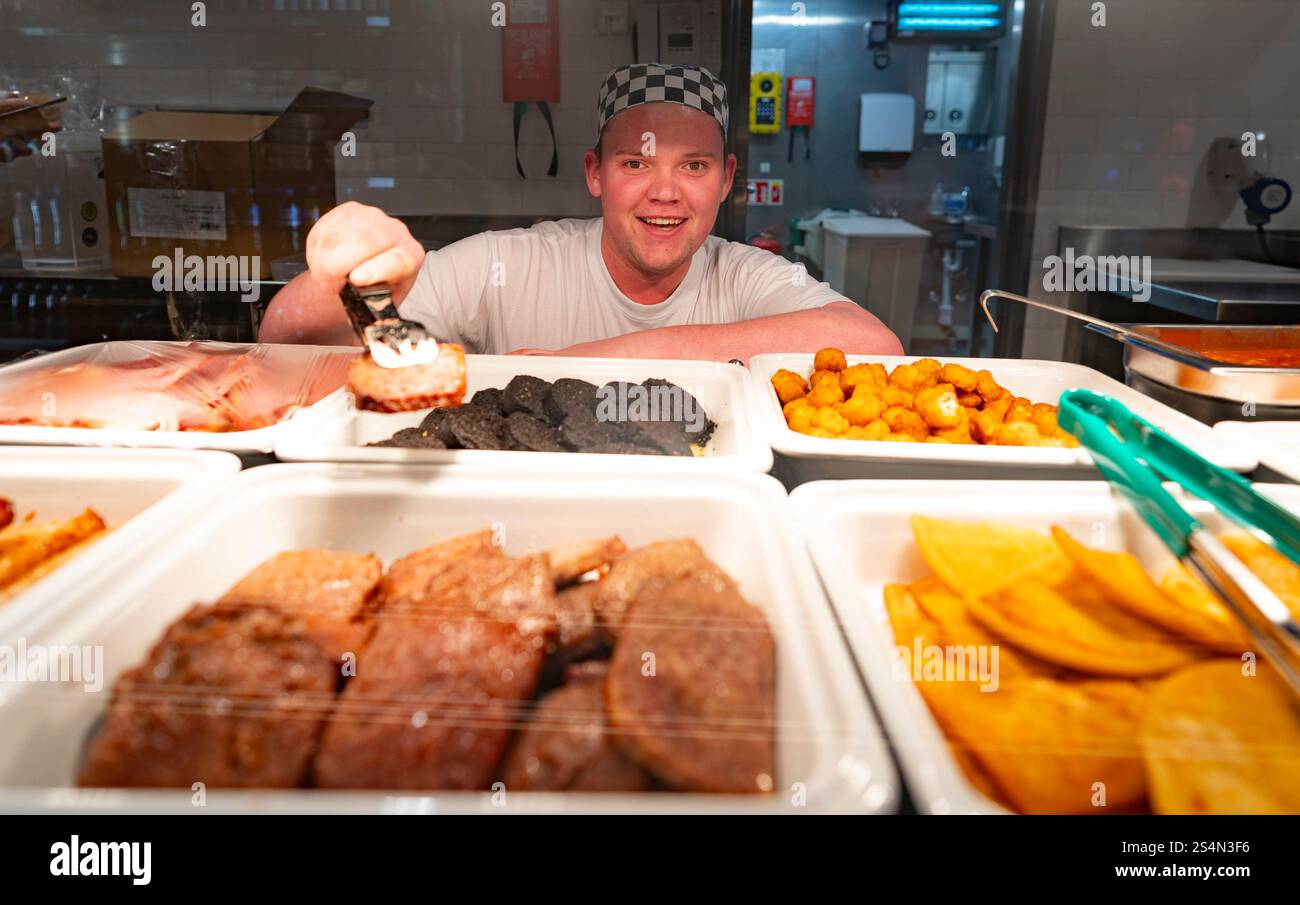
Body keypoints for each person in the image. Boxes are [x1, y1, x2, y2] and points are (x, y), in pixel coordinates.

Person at [259, 63, 902, 363]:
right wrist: (352, 265)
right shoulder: (509, 263)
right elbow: (287, 337)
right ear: (595, 173)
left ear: (727, 180)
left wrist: (594, 358)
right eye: (635, 164)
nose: (665, 192)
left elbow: (876, 344)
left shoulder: (743, 277)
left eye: (694, 166)